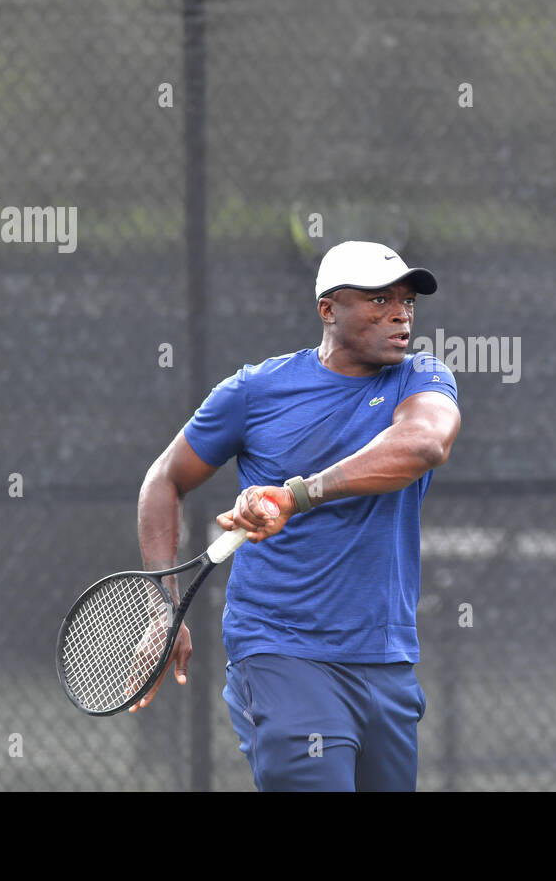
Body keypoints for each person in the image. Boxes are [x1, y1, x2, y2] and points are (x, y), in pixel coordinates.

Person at [131, 240, 461, 792]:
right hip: (282, 653)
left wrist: (295, 495)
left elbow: (423, 446)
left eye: (406, 301)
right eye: (379, 300)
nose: (400, 313)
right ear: (328, 310)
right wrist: (162, 606)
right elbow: (164, 480)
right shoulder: (254, 391)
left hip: (387, 659)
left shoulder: (422, 378)